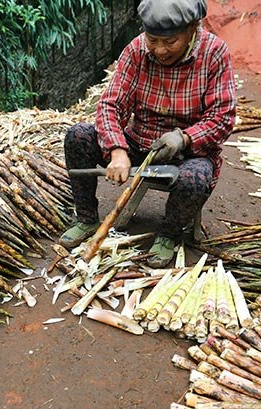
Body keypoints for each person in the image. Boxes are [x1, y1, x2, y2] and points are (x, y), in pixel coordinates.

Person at [59, 0, 236, 268]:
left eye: (170, 41)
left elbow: (223, 118)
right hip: (140, 142)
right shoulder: (137, 49)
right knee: (78, 136)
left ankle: (169, 234)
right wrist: (118, 150)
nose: (160, 50)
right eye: (153, 40)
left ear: (192, 28)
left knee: (196, 178)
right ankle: (86, 218)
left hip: (187, 155)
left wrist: (184, 138)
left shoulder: (214, 53)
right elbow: (110, 105)